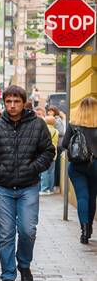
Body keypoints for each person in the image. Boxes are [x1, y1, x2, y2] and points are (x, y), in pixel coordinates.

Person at [0, 85, 55, 281]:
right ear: (4, 103)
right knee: (5, 234)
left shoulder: (38, 125)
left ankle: (24, 264)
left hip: (28, 187)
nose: (12, 106)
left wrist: (32, 169)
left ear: (23, 103)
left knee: (28, 230)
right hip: (2, 188)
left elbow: (48, 151)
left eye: (16, 102)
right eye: (8, 102)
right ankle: (8, 275)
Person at [60, 97, 97, 244]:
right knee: (92, 197)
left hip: (77, 166)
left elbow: (64, 144)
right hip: (95, 165)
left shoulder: (73, 124)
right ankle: (90, 228)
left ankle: (84, 231)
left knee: (82, 196)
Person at [39, 113, 59, 194]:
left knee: (44, 172)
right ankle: (50, 189)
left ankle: (44, 189)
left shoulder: (44, 130)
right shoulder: (56, 131)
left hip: (45, 153)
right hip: (54, 153)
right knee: (51, 172)